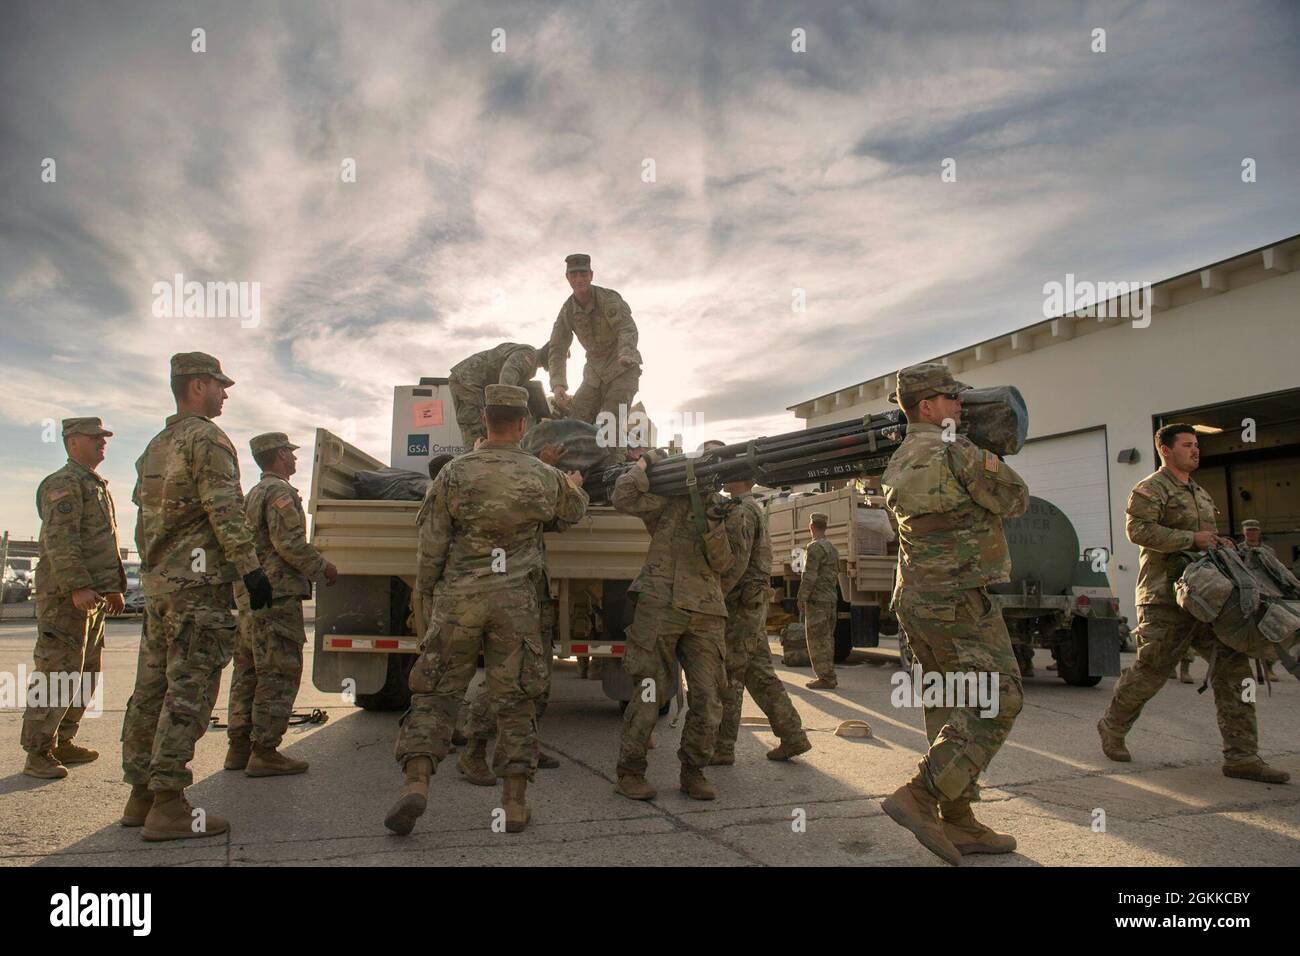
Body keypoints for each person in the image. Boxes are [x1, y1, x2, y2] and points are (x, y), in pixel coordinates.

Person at [385, 385, 587, 836]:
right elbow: (573, 513)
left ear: (482, 418)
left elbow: (431, 545)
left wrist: (430, 596)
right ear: (523, 425)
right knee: (516, 700)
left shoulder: (453, 474)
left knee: (436, 694)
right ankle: (513, 805)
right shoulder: (541, 476)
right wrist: (572, 486)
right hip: (516, 606)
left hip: (459, 600)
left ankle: (414, 783)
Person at [879, 363, 1029, 865]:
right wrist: (988, 453)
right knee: (997, 698)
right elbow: (1016, 498)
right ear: (927, 406)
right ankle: (919, 797)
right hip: (960, 598)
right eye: (952, 397)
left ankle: (959, 819)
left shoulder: (900, 457)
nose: (962, 405)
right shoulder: (957, 451)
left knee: (949, 703)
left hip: (917, 602)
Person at [121, 352, 273, 841]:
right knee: (189, 690)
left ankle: (141, 794)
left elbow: (144, 519)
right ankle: (168, 805)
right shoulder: (206, 438)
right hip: (197, 589)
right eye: (219, 386)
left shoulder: (156, 444)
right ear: (197, 386)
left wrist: (154, 568)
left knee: (151, 691)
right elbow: (224, 508)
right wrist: (251, 569)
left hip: (161, 585)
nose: (225, 394)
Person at [1097, 424, 1288, 784]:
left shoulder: (1199, 493)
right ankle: (1113, 725)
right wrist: (1192, 538)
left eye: (1197, 445)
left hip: (1209, 599)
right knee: (1151, 671)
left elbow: (1202, 541)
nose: (1196, 450)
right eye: (1188, 445)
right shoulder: (1150, 489)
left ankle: (1242, 757)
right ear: (1166, 450)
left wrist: (1218, 543)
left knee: (1234, 670)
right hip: (1165, 597)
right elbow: (1137, 531)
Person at [610, 448, 733, 802]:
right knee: (649, 691)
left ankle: (693, 770)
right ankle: (631, 771)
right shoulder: (665, 499)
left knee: (709, 697)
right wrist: (646, 463)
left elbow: (724, 562)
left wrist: (712, 522)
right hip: (660, 602)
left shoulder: (722, 508)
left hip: (705, 609)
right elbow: (623, 495)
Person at [225, 433, 338, 776]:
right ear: (277, 455)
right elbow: (288, 543)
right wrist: (322, 568)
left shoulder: (254, 493)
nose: (294, 458)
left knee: (248, 670)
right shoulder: (279, 492)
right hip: (275, 595)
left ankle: (239, 748)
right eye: (290, 452)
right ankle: (265, 751)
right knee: (278, 671)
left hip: (252, 595)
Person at [21, 418, 127, 779]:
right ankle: (37, 751)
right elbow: (61, 539)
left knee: (85, 674)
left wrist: (112, 588)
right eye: (95, 438)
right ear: (71, 442)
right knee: (56, 672)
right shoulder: (64, 483)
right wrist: (78, 585)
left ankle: (63, 740)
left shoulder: (93, 484)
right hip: (66, 598)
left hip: (92, 599)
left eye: (104, 438)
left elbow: (99, 544)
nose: (102, 443)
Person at [705, 443, 811, 765]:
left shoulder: (740, 511)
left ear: (732, 478)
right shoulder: (751, 507)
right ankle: (792, 735)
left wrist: (714, 597)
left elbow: (734, 566)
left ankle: (723, 748)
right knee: (760, 673)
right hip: (752, 606)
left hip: (739, 606)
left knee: (731, 674)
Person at [547, 253, 642, 426]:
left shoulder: (608, 300)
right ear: (567, 277)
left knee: (609, 426)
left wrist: (626, 352)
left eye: (583, 274)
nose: (579, 279)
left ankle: (615, 452)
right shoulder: (567, 311)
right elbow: (558, 347)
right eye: (574, 275)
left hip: (621, 368)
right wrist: (558, 384)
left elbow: (627, 328)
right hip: (594, 372)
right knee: (575, 424)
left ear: (591, 275)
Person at [448, 343, 549, 447]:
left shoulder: (530, 359)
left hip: (472, 383)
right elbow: (506, 380)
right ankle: (473, 461)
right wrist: (507, 417)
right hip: (469, 381)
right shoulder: (528, 355)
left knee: (485, 433)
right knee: (475, 431)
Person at [798, 513, 841, 689]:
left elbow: (809, 576)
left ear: (811, 526)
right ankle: (829, 674)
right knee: (827, 638)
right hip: (830, 598)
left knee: (817, 640)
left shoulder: (814, 547)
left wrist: (802, 597)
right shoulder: (832, 548)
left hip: (817, 600)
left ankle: (825, 677)